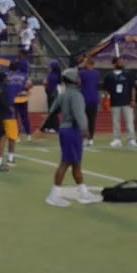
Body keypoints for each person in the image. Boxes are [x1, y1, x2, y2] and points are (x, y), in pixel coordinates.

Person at [44, 68, 99, 207]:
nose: (80, 79)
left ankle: (83, 192)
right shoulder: (76, 95)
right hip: (72, 131)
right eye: (78, 77)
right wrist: (84, 128)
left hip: (65, 129)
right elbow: (79, 113)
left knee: (76, 163)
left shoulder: (63, 94)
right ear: (74, 80)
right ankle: (54, 195)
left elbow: (52, 110)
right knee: (66, 162)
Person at [103, 58, 137, 148]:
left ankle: (131, 139)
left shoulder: (128, 74)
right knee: (115, 121)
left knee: (129, 121)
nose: (121, 63)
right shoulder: (109, 76)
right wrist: (106, 100)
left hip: (127, 101)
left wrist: (133, 100)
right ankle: (116, 139)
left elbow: (133, 87)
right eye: (119, 62)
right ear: (114, 63)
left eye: (122, 62)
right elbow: (106, 89)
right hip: (114, 101)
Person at [78, 56, 100, 147]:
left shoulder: (82, 73)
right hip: (94, 99)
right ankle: (90, 138)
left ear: (88, 64)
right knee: (92, 120)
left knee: (83, 120)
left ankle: (83, 138)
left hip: (84, 99)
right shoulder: (97, 73)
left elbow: (78, 82)